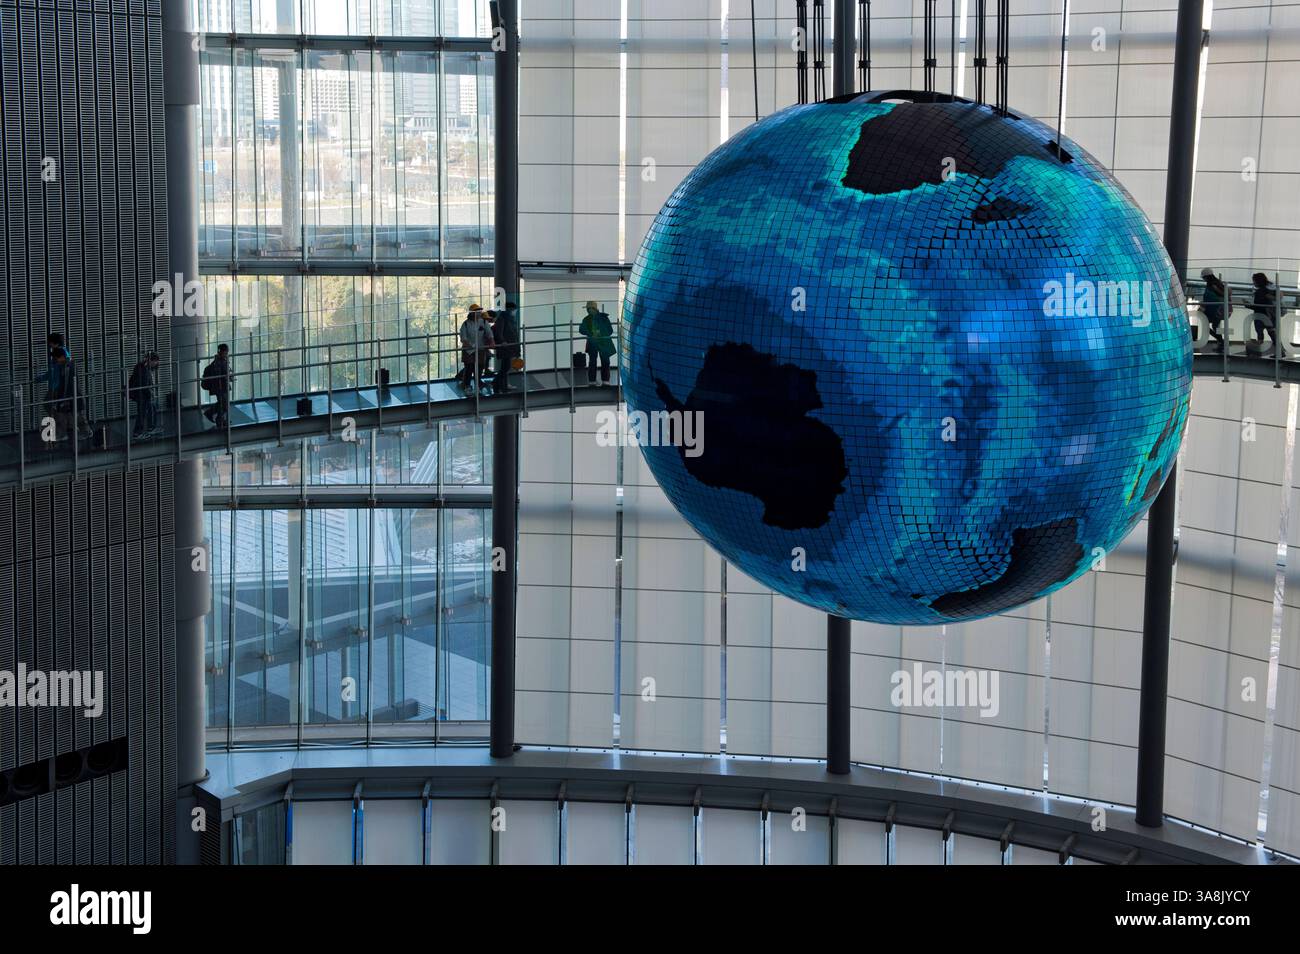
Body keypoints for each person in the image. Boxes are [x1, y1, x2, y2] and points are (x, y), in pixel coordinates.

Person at [456, 304, 495, 392]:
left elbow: (489, 334)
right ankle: (467, 385)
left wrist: (492, 341)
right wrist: (469, 345)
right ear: (472, 313)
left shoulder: (483, 322)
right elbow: (463, 338)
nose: (478, 313)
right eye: (476, 312)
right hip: (468, 351)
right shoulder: (465, 324)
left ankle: (478, 383)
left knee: (480, 367)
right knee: (469, 368)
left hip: (480, 349)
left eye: (479, 312)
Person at [578, 300, 614, 385]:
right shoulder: (603, 317)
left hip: (595, 342)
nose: (589, 310)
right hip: (601, 342)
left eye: (590, 308)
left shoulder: (587, 319)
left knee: (597, 361)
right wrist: (594, 333)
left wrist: (594, 333)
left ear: (593, 308)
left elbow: (609, 330)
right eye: (588, 308)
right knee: (598, 361)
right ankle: (603, 381)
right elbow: (610, 330)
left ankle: (594, 381)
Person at [48, 347, 77, 443]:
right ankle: (69, 432)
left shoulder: (67, 366)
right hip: (67, 395)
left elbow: (66, 383)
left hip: (67, 395)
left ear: (61, 357)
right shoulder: (67, 364)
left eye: (57, 358)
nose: (56, 361)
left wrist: (62, 399)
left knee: (61, 414)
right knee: (66, 414)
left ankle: (64, 434)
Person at [1249, 272, 1282, 355]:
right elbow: (1278, 296)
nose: (1253, 283)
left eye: (1254, 281)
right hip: (1269, 315)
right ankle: (1280, 351)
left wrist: (1248, 305)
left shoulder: (1260, 292)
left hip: (1260, 315)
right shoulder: (1269, 289)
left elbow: (1257, 305)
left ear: (1257, 281)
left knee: (1260, 333)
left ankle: (1258, 351)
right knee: (1272, 333)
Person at [129, 352, 161, 439]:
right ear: (151, 360)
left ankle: (151, 428)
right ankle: (137, 433)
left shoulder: (143, 367)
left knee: (150, 409)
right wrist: (149, 394)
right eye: (155, 362)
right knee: (142, 413)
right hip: (141, 394)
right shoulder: (142, 368)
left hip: (143, 393)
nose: (156, 364)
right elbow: (143, 383)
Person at [202, 344, 232, 428]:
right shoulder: (218, 362)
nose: (226, 353)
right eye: (226, 351)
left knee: (223, 403)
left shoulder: (221, 360)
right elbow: (220, 374)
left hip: (222, 386)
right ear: (222, 351)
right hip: (220, 387)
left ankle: (219, 419)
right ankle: (212, 414)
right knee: (224, 404)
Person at [492, 302, 520, 393]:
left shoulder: (509, 319)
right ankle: (498, 384)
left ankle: (501, 384)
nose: (515, 311)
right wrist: (503, 341)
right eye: (513, 310)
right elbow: (499, 332)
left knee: (506, 367)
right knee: (506, 367)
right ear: (509, 309)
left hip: (510, 346)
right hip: (505, 347)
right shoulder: (502, 319)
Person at [1199, 267, 1229, 348]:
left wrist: (1202, 307)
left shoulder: (1212, 285)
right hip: (1217, 309)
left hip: (1213, 309)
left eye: (1204, 277)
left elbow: (1216, 295)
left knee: (1206, 325)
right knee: (1215, 326)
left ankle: (1221, 341)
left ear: (1206, 277)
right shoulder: (1217, 283)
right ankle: (1221, 342)